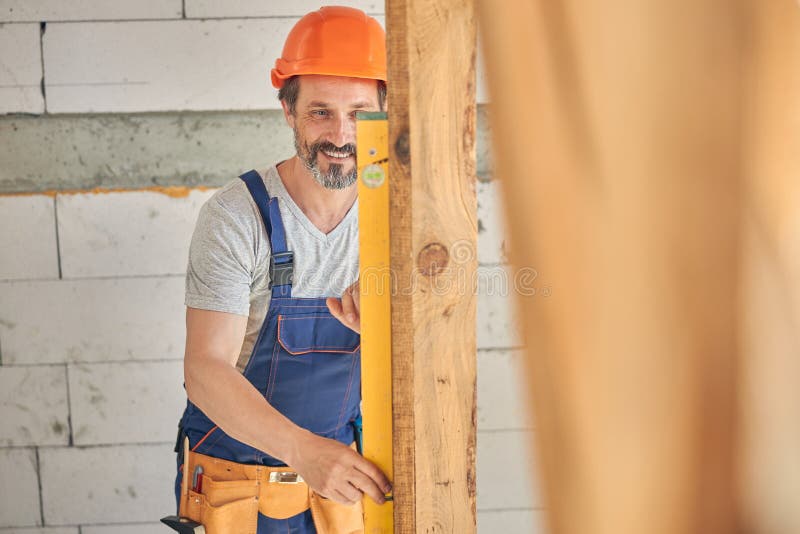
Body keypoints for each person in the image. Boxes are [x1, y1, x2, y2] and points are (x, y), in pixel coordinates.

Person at [171, 6, 391, 533]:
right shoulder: (235, 217)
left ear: (386, 111)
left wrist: (386, 334)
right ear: (288, 110)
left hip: (340, 488)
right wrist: (304, 452)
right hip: (236, 492)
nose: (341, 136)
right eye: (320, 112)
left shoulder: (397, 222)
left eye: (359, 112)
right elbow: (204, 371)